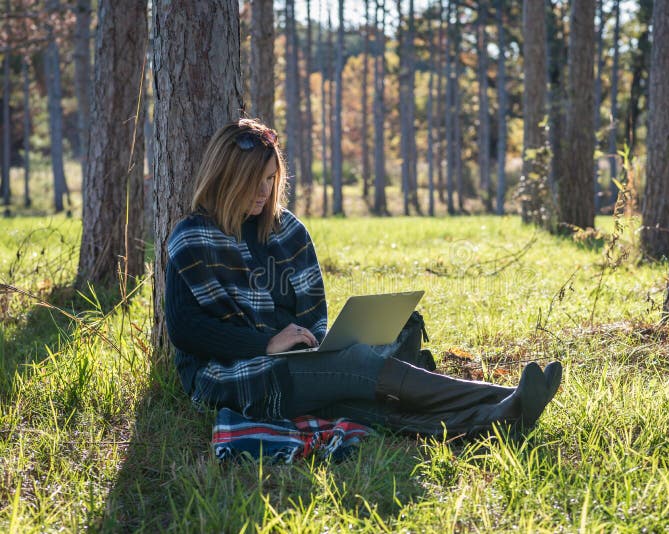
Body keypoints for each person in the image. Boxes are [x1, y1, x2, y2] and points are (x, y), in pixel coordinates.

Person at [165, 118, 562, 437]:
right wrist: (266, 344)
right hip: (229, 377)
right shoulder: (193, 238)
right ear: (229, 177)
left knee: (366, 406)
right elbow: (187, 331)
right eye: (257, 181)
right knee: (355, 364)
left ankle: (501, 419)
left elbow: (314, 314)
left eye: (272, 179)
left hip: (296, 365)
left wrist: (312, 343)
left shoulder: (287, 232)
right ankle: (507, 397)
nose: (265, 191)